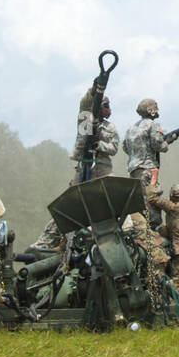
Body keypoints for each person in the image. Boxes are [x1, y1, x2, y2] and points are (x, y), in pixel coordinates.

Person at [32, 88, 118, 250]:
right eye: (106, 106)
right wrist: (95, 89)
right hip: (84, 169)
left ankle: (124, 235)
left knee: (116, 202)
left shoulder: (110, 128)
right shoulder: (85, 120)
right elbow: (85, 103)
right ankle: (46, 240)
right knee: (69, 205)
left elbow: (114, 148)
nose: (109, 110)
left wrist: (99, 145)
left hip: (103, 172)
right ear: (98, 106)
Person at [123, 98, 168, 227]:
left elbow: (125, 147)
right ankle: (154, 234)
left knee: (139, 203)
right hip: (148, 171)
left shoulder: (131, 128)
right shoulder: (153, 125)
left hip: (133, 172)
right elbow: (157, 145)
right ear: (151, 110)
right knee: (151, 202)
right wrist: (166, 143)